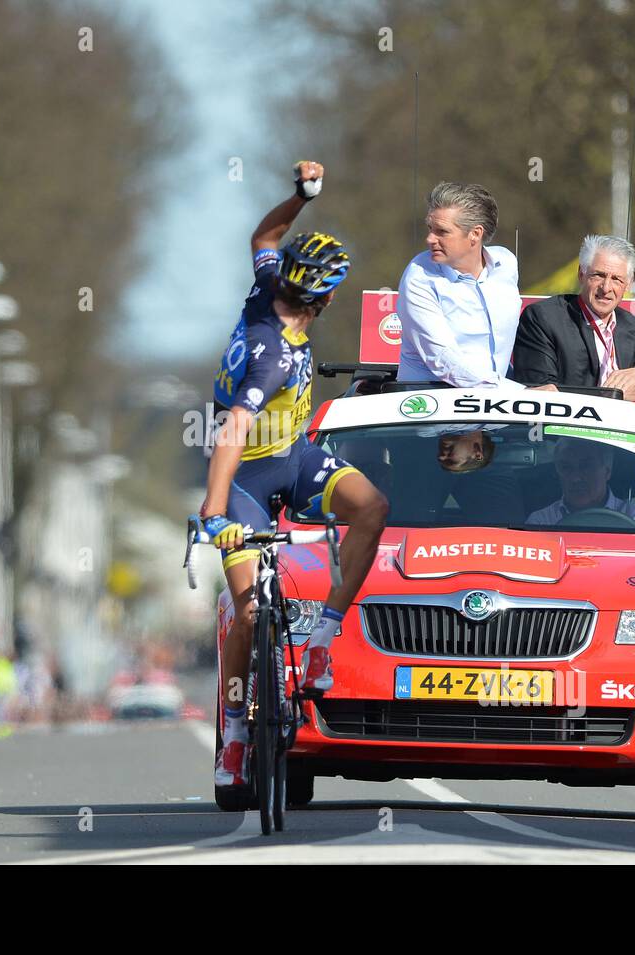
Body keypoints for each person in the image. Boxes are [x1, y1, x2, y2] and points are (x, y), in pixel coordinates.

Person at [202, 161, 388, 790]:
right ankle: (232, 737)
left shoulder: (267, 288)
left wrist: (300, 197)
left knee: (371, 507)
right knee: (250, 611)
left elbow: (262, 240)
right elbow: (230, 431)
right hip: (246, 478)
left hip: (298, 456)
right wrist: (215, 508)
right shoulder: (273, 358)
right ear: (328, 298)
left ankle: (321, 639)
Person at [512, 235, 635, 408]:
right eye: (598, 275)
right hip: (564, 436)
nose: (606, 288)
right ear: (581, 274)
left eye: (616, 279)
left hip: (626, 435)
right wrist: (615, 396)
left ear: (627, 284)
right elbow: (540, 396)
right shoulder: (543, 318)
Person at [397, 182, 545, 390]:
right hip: (430, 406)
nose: (430, 239)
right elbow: (443, 359)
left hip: (496, 405)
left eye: (442, 231)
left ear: (475, 234)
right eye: (430, 229)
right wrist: (520, 392)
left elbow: (494, 353)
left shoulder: (506, 264)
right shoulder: (418, 277)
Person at [526, 437, 635, 529]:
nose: (575, 478)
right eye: (566, 468)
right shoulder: (541, 522)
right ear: (557, 472)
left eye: (586, 466)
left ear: (607, 471)